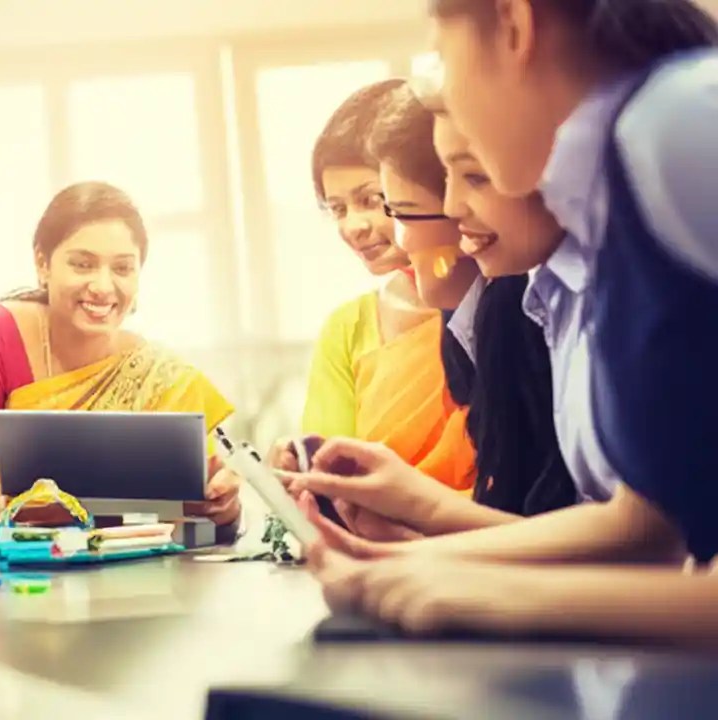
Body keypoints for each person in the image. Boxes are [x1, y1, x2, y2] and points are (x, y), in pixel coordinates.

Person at [305, 0, 718, 646]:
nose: (448, 204)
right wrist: (407, 567)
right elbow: (650, 526)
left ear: (514, 24)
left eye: (441, 54)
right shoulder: (613, 208)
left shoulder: (678, 127)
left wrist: (486, 593)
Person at [298, 85, 577, 542]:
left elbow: (608, 533)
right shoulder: (466, 323)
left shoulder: (535, 315)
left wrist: (416, 518)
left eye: (386, 206)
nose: (357, 227)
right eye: (338, 209)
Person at [0, 181, 241, 530]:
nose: (103, 287)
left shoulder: (163, 379)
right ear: (43, 263)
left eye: (122, 268)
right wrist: (40, 513)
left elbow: (205, 514)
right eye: (83, 264)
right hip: (10, 571)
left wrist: (222, 506)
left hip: (136, 572)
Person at [297, 79, 476, 492]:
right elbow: (327, 470)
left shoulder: (504, 301)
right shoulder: (348, 328)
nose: (353, 227)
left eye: (371, 200)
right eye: (337, 208)